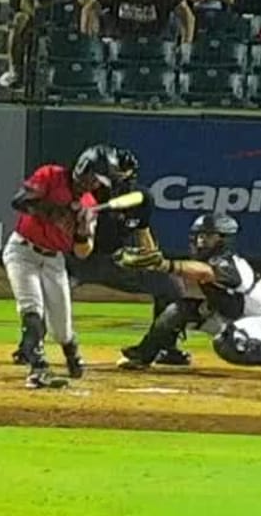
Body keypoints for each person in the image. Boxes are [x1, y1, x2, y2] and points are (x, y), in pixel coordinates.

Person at [113, 212, 261, 378]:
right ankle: (144, 355)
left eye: (208, 236)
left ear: (223, 239)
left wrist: (164, 264)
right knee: (177, 311)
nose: (201, 241)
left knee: (226, 344)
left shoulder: (230, 264)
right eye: (199, 236)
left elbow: (205, 272)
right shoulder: (207, 260)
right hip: (228, 314)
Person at [66, 144, 194, 368]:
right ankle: (31, 345)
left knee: (171, 286)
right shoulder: (84, 191)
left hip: (117, 261)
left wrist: (155, 262)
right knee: (47, 286)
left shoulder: (140, 198)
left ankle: (163, 346)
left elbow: (144, 233)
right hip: (77, 259)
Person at [4, 150, 103, 389]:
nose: (94, 183)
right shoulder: (51, 175)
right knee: (32, 310)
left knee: (61, 327)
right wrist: (56, 211)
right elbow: (19, 200)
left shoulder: (90, 205)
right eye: (94, 178)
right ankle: (38, 368)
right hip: (22, 252)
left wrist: (81, 229)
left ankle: (71, 351)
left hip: (54, 261)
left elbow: (83, 252)